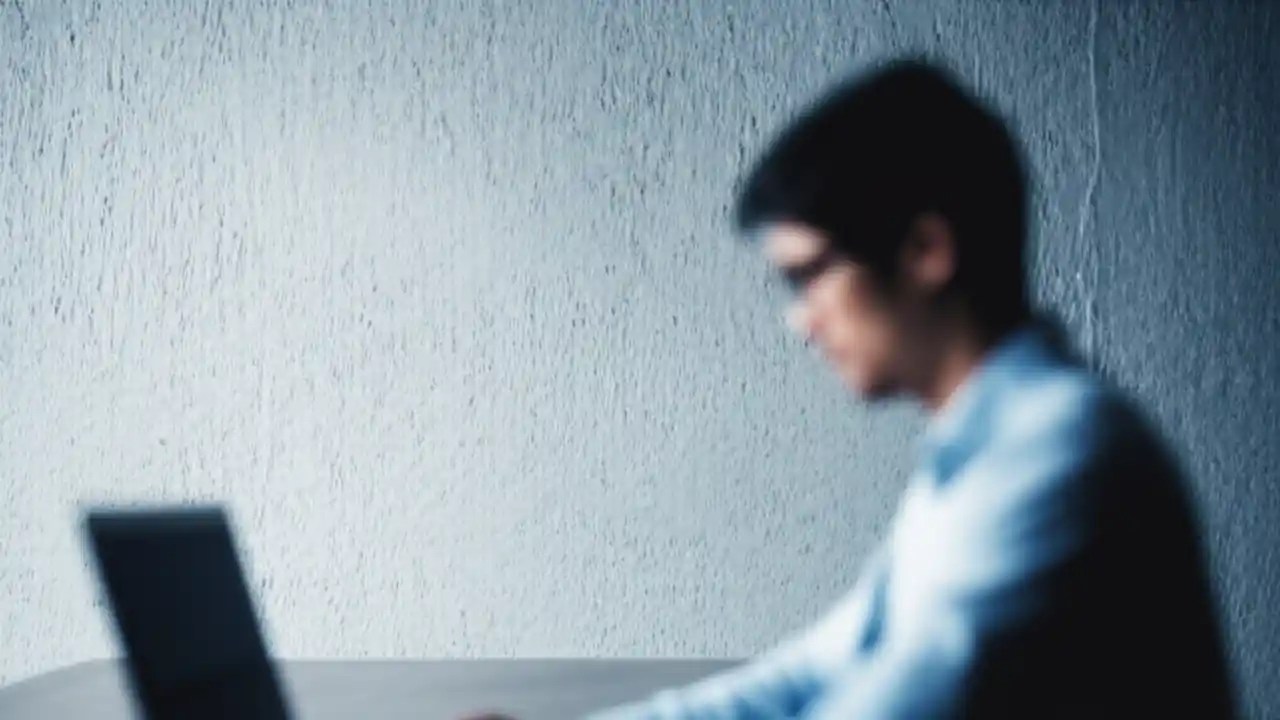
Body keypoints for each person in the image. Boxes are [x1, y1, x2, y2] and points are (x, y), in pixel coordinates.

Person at [461, 57, 1237, 719]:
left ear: (926, 249)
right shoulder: (983, 452)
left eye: (808, 277)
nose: (799, 323)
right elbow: (815, 670)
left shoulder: (1060, 455)